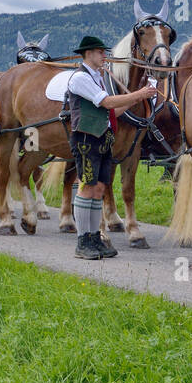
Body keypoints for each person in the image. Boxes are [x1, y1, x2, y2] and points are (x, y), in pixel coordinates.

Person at [67, 35, 158, 260]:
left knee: (98, 189)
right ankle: (83, 240)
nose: (104, 56)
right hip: (87, 139)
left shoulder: (96, 77)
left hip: (103, 137)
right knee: (87, 187)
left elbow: (110, 112)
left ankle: (94, 237)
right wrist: (140, 94)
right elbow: (106, 102)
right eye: (100, 52)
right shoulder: (80, 78)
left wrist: (134, 101)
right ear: (89, 54)